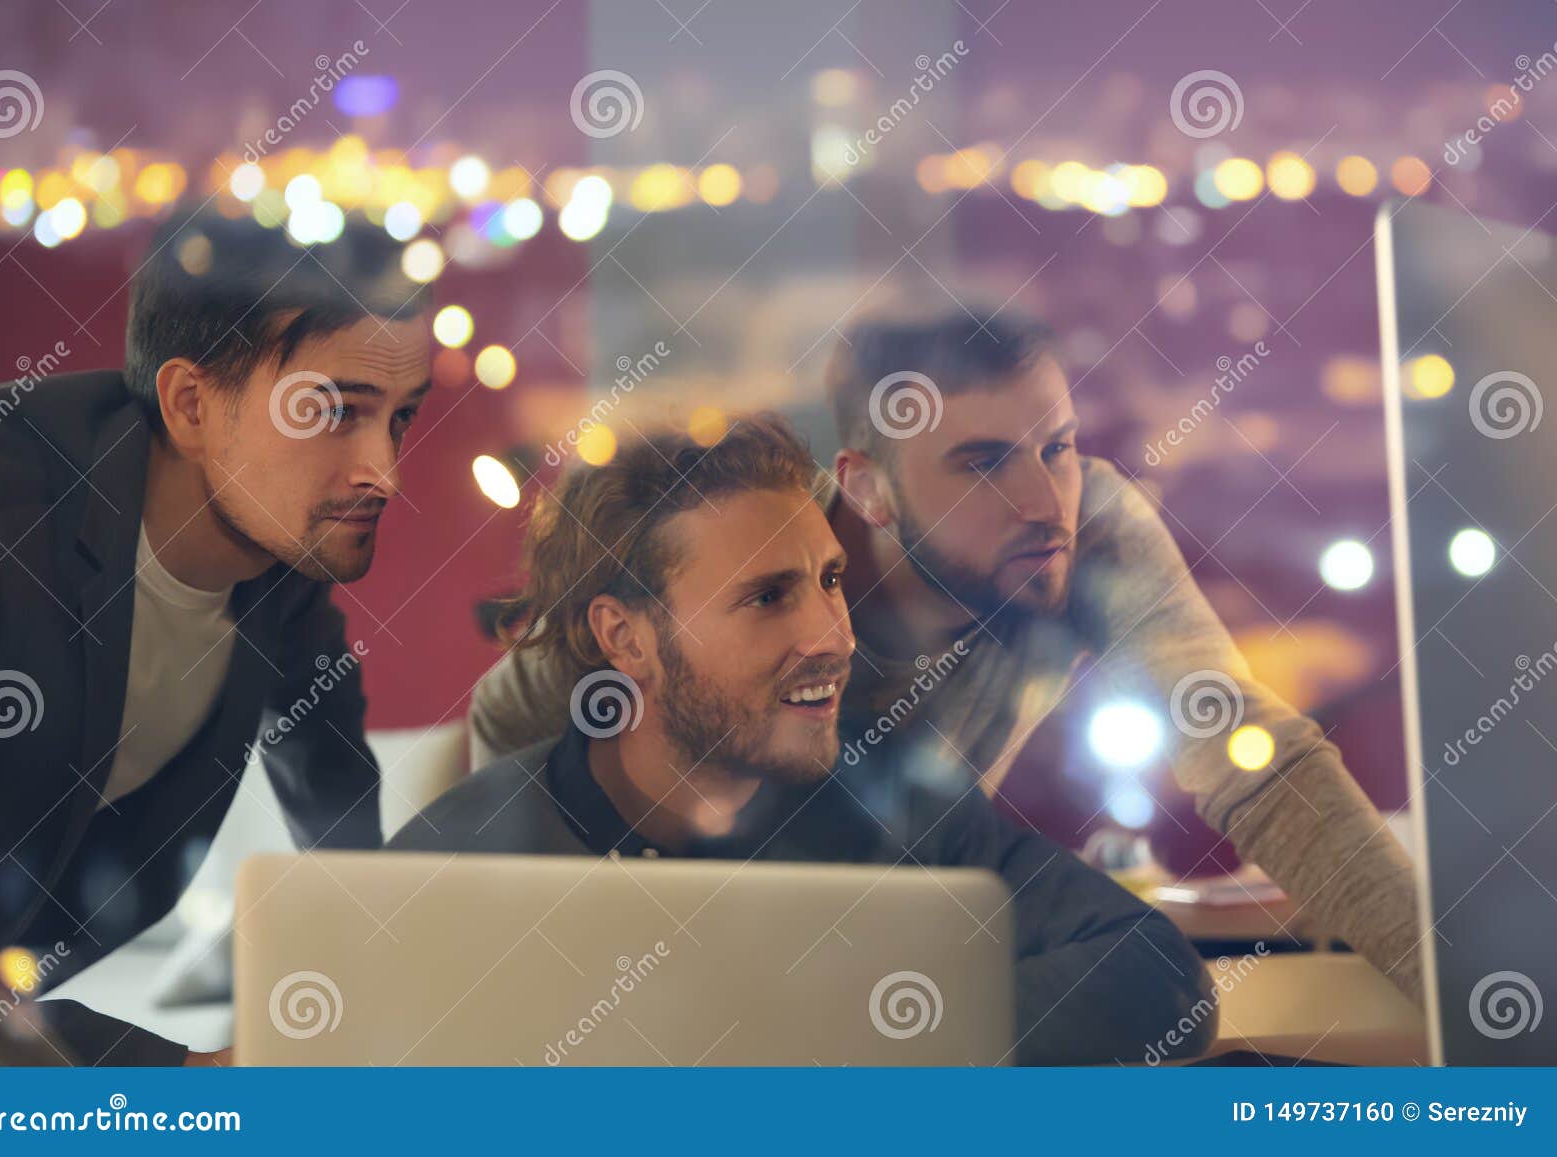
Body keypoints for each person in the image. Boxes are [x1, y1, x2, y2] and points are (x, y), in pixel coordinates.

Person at [468, 305, 1423, 1002]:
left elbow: (1258, 764)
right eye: (983, 462)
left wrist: (1463, 990)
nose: (1043, 500)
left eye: (1056, 447)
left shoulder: (1085, 532)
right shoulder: (755, 557)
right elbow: (514, 711)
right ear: (868, 489)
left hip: (895, 962)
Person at [389, 415, 1216, 1065]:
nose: (834, 636)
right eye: (767, 598)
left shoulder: (896, 802)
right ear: (626, 638)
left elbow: (1156, 971)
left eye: (829, 580)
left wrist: (857, 1038)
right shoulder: (461, 855)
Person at [0, 211, 432, 1065]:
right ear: (190, 404)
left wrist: (393, 998)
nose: (385, 474)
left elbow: (334, 802)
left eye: (399, 418)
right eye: (332, 412)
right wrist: (185, 1074)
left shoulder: (281, 574)